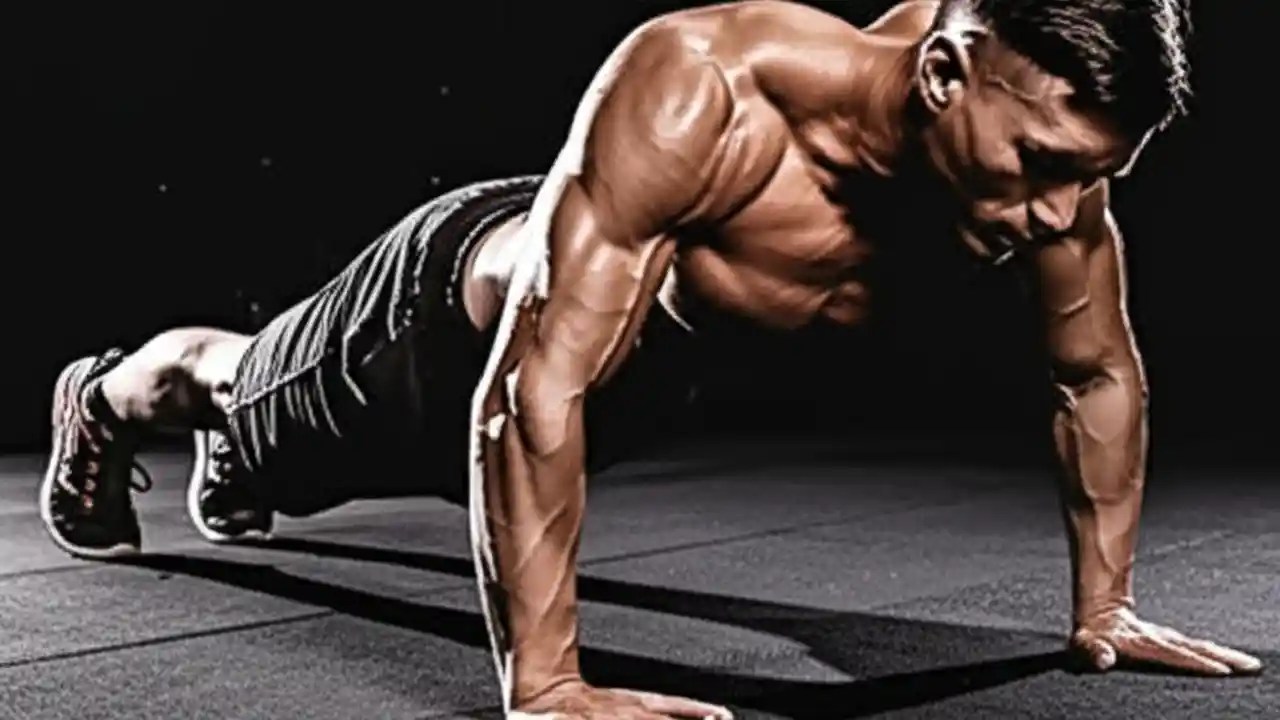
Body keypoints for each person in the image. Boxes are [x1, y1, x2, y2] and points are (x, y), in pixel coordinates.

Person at [40, 1, 1263, 718]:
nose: (1063, 216)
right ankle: (98, 397)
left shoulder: (1047, 171)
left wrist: (1103, 606)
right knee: (235, 381)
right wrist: (549, 684)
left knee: (286, 479)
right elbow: (534, 384)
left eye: (1094, 178)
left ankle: (244, 462)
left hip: (627, 371)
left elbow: (1092, 374)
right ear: (944, 74)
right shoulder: (711, 86)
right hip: (445, 321)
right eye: (1044, 167)